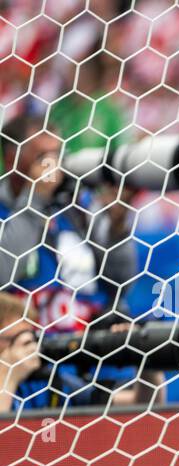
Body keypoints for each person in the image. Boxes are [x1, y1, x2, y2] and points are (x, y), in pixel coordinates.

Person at [0, 112, 144, 407]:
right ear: (13, 158)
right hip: (27, 373)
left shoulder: (76, 210)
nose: (54, 164)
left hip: (87, 363)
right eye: (43, 155)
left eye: (58, 153)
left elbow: (119, 285)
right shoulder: (8, 212)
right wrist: (35, 199)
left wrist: (117, 228)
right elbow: (5, 271)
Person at [0, 291, 42, 415]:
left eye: (30, 339)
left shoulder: (35, 381)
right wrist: (7, 377)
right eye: (14, 338)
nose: (31, 348)